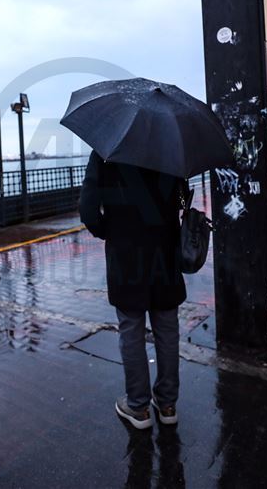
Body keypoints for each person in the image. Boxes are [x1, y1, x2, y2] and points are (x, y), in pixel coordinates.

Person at [79, 150, 186, 430]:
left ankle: (138, 407)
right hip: (165, 252)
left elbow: (88, 210)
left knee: (131, 329)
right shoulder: (169, 149)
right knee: (167, 328)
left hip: (126, 256)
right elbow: (182, 200)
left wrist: (109, 230)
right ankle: (167, 404)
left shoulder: (106, 152)